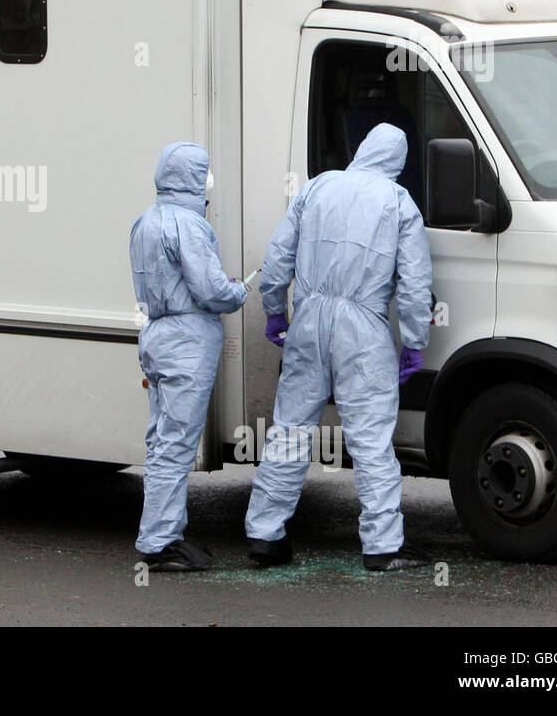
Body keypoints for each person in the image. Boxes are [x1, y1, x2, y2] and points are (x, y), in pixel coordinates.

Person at [244, 123, 433, 572]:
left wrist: (275, 311)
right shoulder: (397, 202)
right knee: (370, 439)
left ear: (362, 148)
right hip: (363, 328)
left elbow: (277, 259)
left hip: (308, 320)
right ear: (399, 162)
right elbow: (414, 282)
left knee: (290, 428)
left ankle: (265, 534)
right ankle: (382, 546)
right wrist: (414, 341)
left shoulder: (318, 187)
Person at [130, 142, 248, 571]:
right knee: (177, 444)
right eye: (205, 172)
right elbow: (211, 290)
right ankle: (160, 543)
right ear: (193, 177)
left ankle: (164, 533)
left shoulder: (145, 221)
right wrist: (239, 290)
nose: (208, 180)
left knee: (161, 440)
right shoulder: (190, 225)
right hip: (186, 341)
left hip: (157, 334)